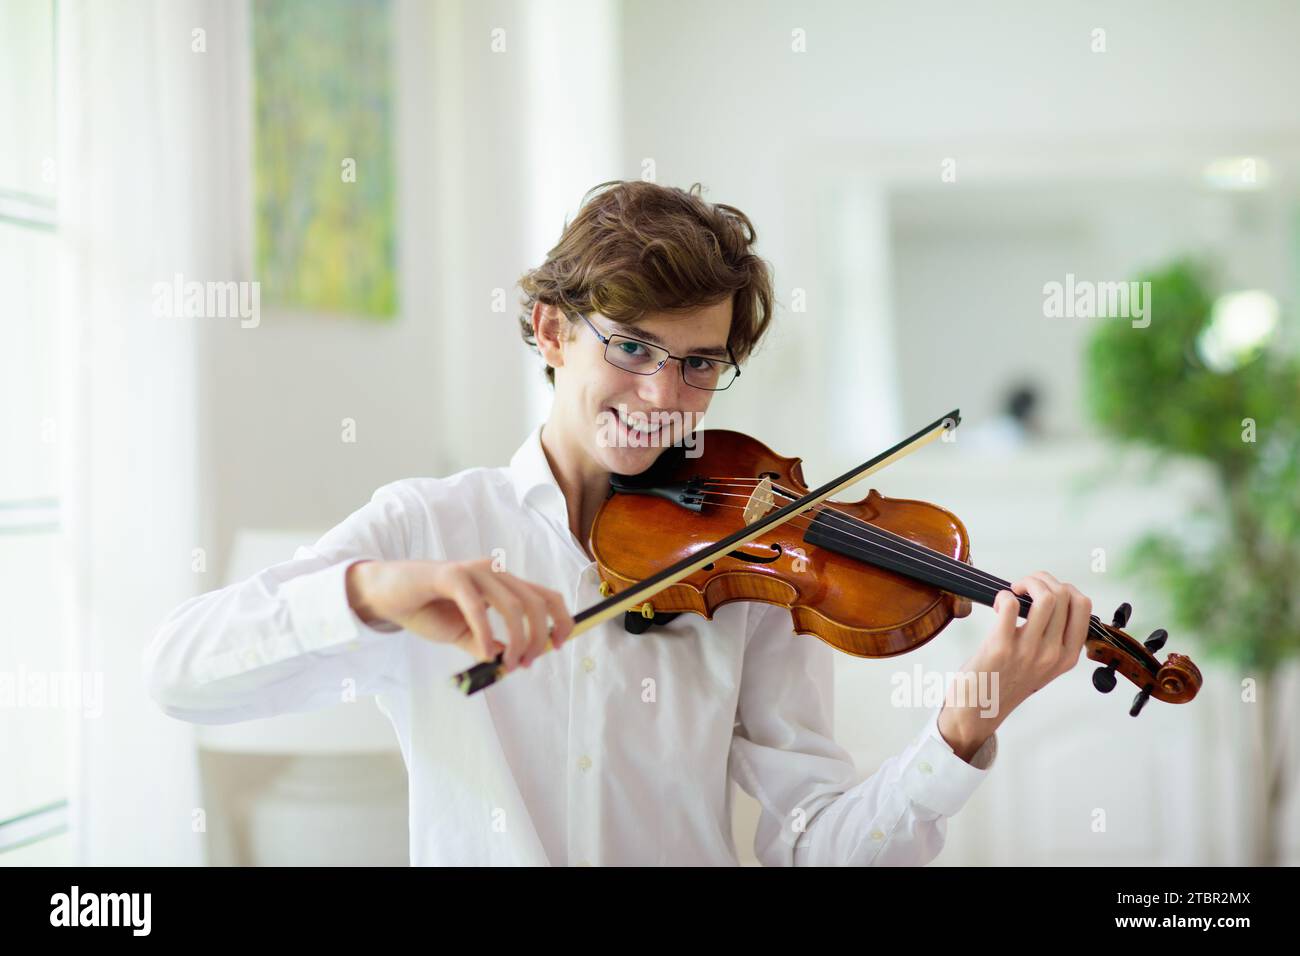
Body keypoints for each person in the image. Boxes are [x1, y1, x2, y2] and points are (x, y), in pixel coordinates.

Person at [143, 180, 1094, 866]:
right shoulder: (430, 526)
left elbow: (817, 848)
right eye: (632, 347)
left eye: (697, 363)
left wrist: (964, 727)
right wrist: (380, 590)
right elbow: (181, 675)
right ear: (552, 332)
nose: (663, 394)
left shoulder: (756, 574)